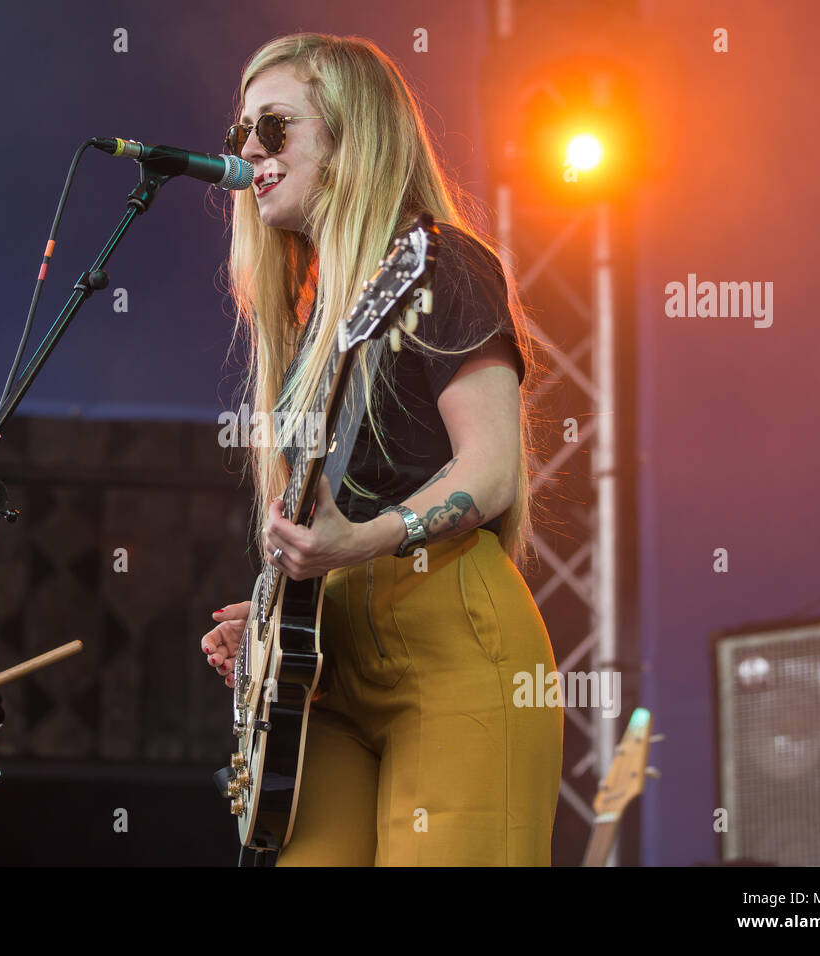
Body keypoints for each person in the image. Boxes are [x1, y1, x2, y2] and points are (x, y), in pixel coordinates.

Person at [199, 33, 563, 866]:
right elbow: (328, 506)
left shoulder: (445, 265)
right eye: (240, 134)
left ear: (350, 136)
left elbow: (492, 468)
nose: (249, 150)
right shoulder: (306, 318)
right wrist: (267, 622)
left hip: (451, 647)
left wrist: (361, 541)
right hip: (326, 666)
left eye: (275, 128)